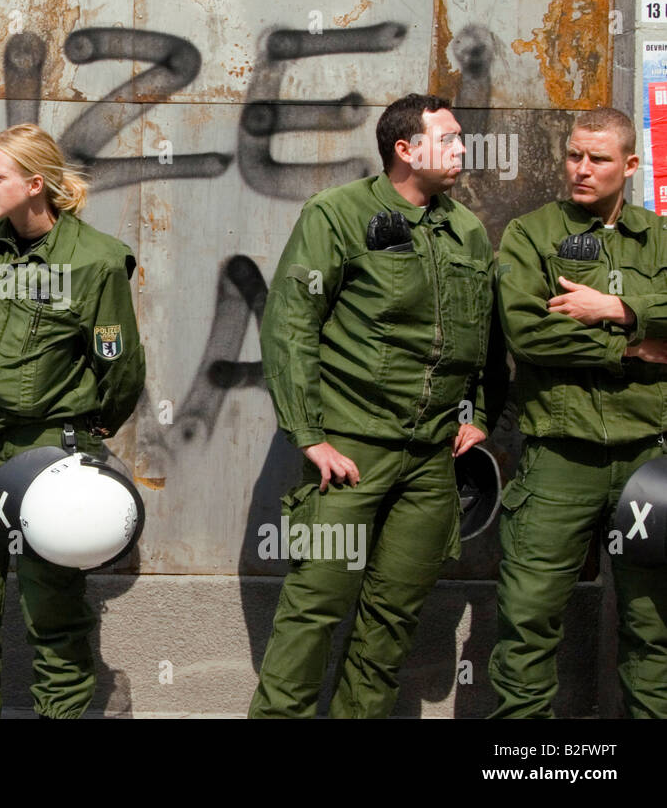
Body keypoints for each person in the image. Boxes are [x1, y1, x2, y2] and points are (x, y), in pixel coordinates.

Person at [249, 93, 504, 718]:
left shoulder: (466, 230)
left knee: (392, 617)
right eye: (447, 138)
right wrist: (311, 437)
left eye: (460, 138)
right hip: (352, 453)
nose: (461, 149)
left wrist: (478, 417)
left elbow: (486, 343)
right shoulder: (338, 215)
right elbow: (290, 325)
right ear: (405, 150)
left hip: (430, 464)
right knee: (316, 604)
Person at [0, 123, 146, 718]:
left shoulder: (96, 262)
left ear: (34, 184)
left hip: (50, 451)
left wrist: (89, 433)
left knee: (52, 613)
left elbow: (120, 366)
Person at [490, 106, 667, 718]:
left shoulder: (660, 239)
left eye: (598, 159)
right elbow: (529, 334)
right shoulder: (531, 234)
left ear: (631, 166)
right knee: (528, 618)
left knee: (653, 626)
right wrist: (635, 344)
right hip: (558, 455)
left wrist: (615, 309)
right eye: (573, 155)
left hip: (649, 459)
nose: (582, 169)